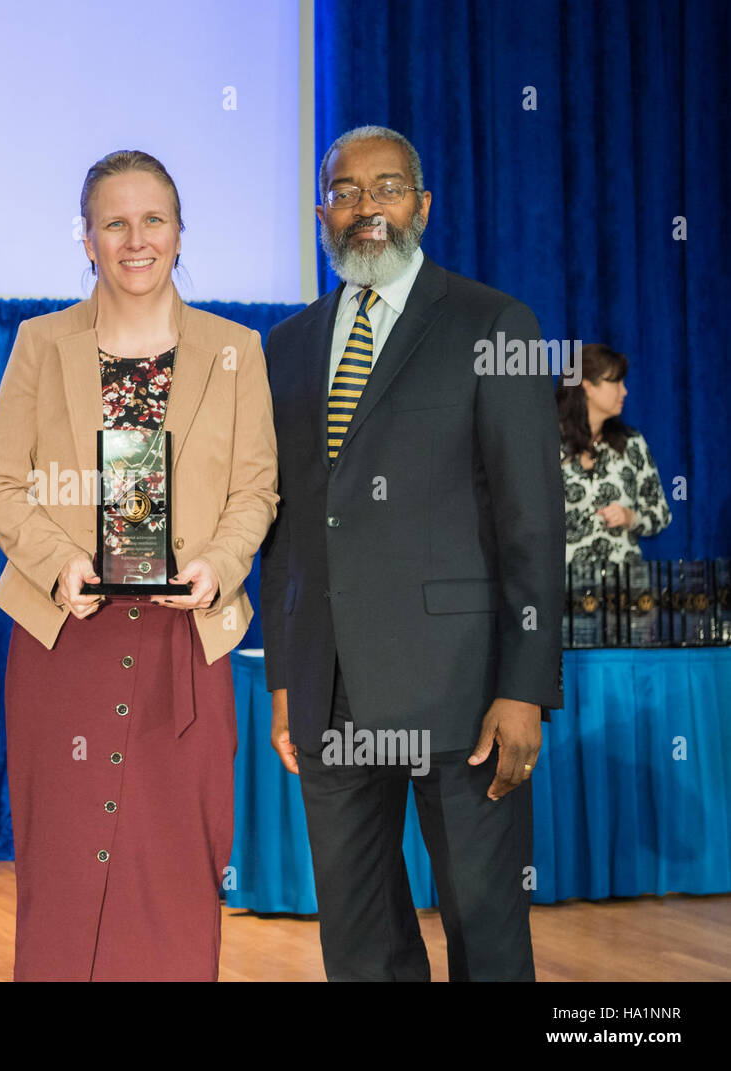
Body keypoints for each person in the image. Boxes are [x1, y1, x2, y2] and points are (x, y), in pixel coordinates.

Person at [260, 126, 564, 982]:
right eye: (347, 191)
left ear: (421, 206)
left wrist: (524, 689)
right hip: (330, 691)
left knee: (486, 927)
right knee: (359, 941)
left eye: (387, 188)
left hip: (463, 695)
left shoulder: (493, 323)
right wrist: (286, 677)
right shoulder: (285, 347)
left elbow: (532, 524)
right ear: (324, 210)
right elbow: (285, 528)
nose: (367, 209)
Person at [0, 150, 278, 981]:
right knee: (64, 873)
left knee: (177, 868)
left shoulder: (236, 350)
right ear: (87, 237)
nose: (135, 239)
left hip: (188, 639)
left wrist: (218, 563)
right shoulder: (41, 345)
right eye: (115, 222)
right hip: (63, 639)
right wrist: (60, 560)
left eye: (154, 220)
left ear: (181, 235)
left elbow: (256, 491)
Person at [557, 343, 671, 564]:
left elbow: (661, 513)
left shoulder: (631, 443)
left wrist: (631, 517)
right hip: (565, 587)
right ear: (587, 385)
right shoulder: (548, 443)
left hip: (625, 586)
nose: (624, 390)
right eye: (616, 382)